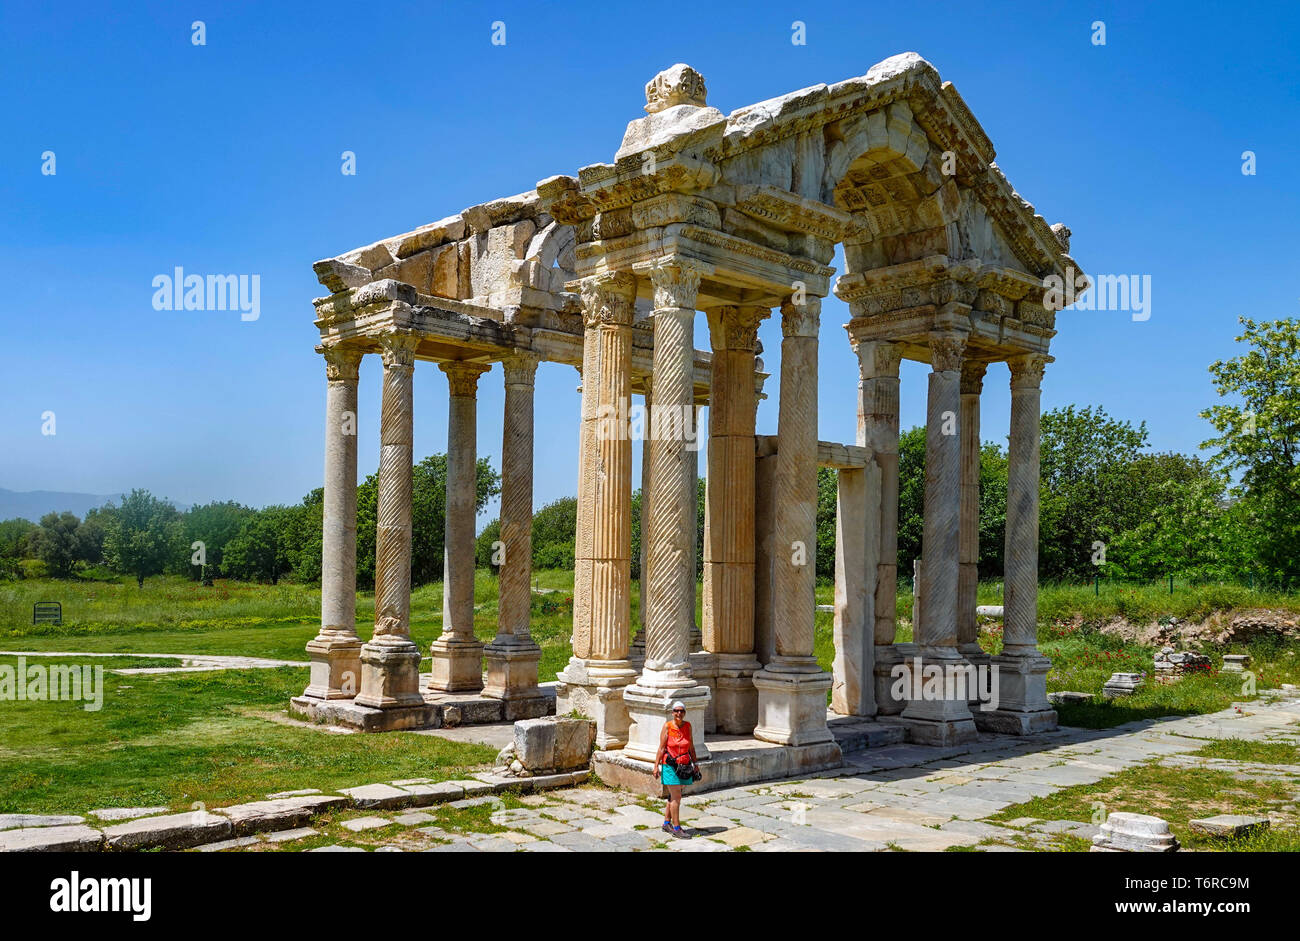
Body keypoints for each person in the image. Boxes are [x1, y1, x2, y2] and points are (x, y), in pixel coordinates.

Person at [654, 700, 697, 839]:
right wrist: (656, 765)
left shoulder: (688, 726)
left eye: (682, 711)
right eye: (676, 711)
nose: (679, 713)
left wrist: (695, 763)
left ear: (684, 713)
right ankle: (677, 828)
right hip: (669, 765)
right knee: (677, 797)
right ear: (672, 713)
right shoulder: (667, 726)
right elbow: (661, 748)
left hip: (684, 765)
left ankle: (667, 823)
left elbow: (691, 746)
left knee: (674, 796)